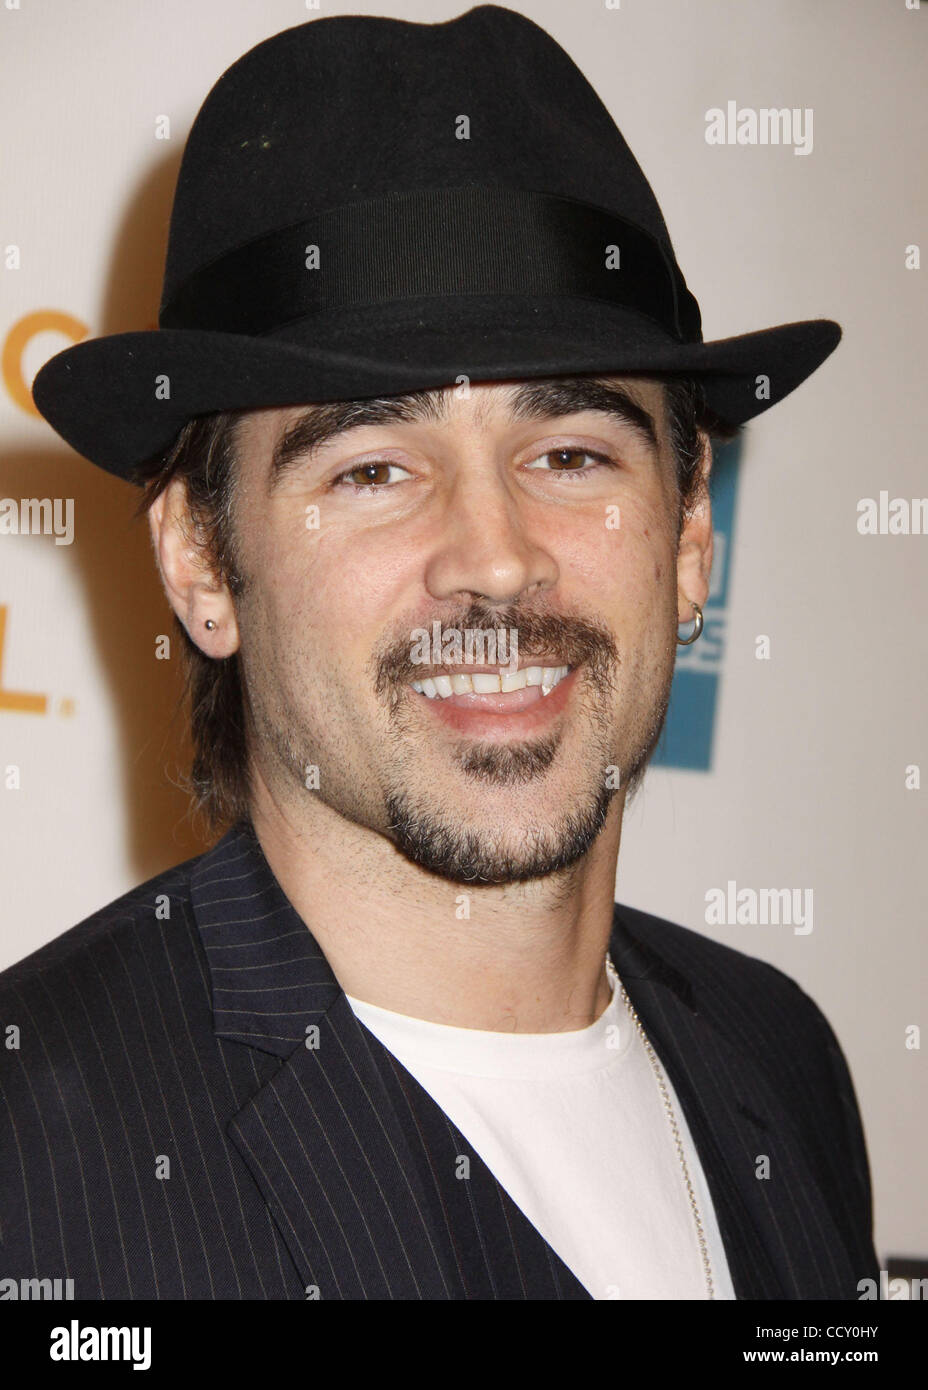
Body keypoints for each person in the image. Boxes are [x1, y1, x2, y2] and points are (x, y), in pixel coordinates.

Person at [2, 6, 877, 1300]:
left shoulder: (783, 1060)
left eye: (571, 453)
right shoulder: (30, 1157)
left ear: (690, 537)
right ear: (198, 561)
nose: (497, 556)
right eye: (374, 468)